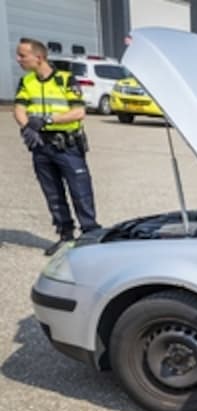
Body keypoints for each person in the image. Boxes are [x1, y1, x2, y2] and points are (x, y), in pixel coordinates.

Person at [13, 37, 100, 256]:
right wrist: (27, 129)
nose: (18, 59)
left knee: (81, 192)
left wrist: (47, 120)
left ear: (39, 57)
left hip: (67, 146)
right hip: (41, 146)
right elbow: (20, 109)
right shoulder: (27, 82)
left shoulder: (65, 79)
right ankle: (66, 236)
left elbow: (79, 112)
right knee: (53, 194)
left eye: (22, 55)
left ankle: (90, 234)